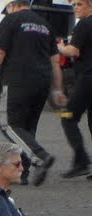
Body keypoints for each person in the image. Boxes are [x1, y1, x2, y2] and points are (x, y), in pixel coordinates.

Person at [0, 0, 62, 186]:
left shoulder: (11, 21)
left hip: (18, 80)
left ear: (12, 6)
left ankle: (41, 157)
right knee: (27, 128)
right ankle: (21, 172)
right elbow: (55, 61)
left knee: (9, 124)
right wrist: (57, 90)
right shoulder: (45, 25)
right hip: (42, 81)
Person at [55, 0, 92, 179]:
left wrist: (60, 47)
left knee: (67, 116)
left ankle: (81, 161)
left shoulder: (84, 24)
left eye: (79, 4)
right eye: (74, 4)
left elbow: (74, 51)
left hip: (87, 78)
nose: (76, 8)